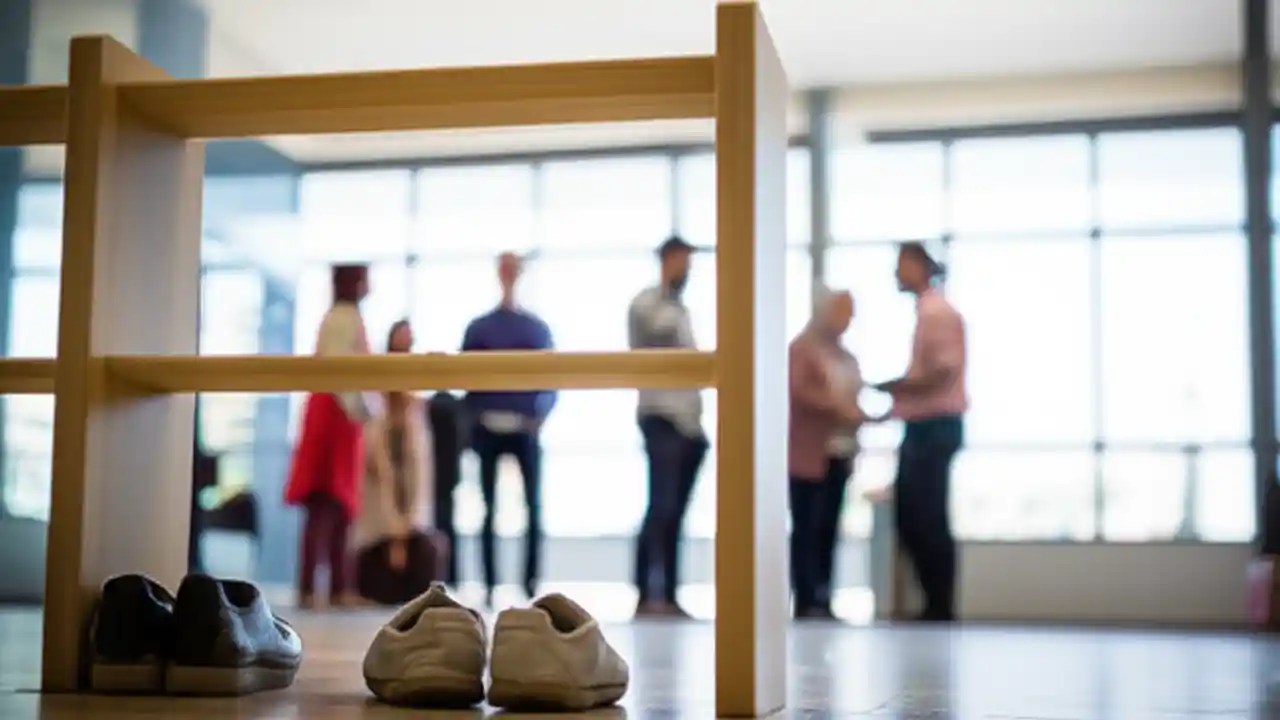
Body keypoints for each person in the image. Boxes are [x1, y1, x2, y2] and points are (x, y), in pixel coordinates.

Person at [874, 242, 967, 622]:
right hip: (926, 426)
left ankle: (939, 606)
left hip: (933, 426)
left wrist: (899, 387)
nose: (896, 274)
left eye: (900, 265)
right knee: (917, 518)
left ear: (918, 265)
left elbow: (943, 370)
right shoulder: (930, 311)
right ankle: (935, 603)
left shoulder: (936, 312)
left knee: (924, 518)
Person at [461, 252, 556, 605]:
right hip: (488, 427)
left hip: (524, 428)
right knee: (487, 509)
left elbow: (551, 377)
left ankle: (530, 583)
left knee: (534, 507)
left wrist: (540, 414)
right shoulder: (480, 328)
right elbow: (466, 378)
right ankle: (488, 585)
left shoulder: (536, 328)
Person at [284, 264, 373, 610]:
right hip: (335, 414)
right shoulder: (342, 319)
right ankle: (315, 587)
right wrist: (361, 411)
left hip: (339, 413)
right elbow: (342, 373)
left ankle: (336, 586)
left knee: (338, 508)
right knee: (326, 503)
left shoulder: (343, 318)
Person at [628, 235, 708, 618]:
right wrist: (668, 289)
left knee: (676, 512)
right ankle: (647, 593)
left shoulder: (683, 309)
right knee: (660, 507)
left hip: (689, 423)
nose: (687, 270)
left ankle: (669, 594)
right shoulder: (648, 304)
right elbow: (656, 333)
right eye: (682, 262)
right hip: (661, 417)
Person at [788, 288, 874, 619]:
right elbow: (799, 392)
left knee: (828, 527)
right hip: (808, 453)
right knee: (807, 525)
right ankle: (807, 597)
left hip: (841, 451)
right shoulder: (802, 350)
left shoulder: (846, 356)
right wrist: (837, 409)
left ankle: (824, 595)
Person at [355, 320, 448, 605]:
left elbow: (420, 484)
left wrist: (406, 533)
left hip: (412, 526)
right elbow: (379, 480)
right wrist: (395, 536)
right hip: (379, 528)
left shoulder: (417, 417)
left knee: (430, 554)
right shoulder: (375, 414)